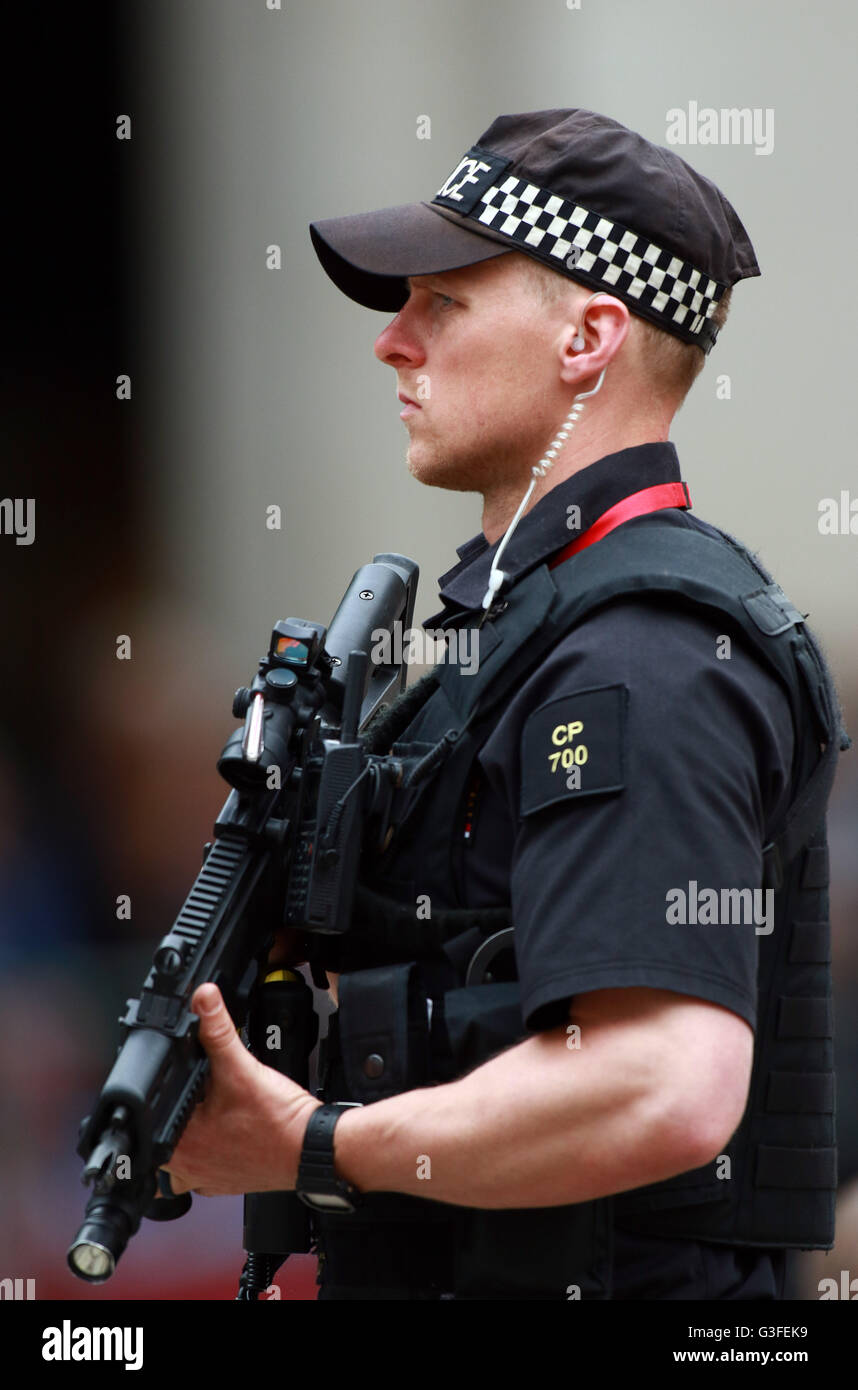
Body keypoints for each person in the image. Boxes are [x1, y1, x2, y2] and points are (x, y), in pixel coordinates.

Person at [163, 108, 847, 1300]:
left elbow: (662, 1084)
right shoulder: (528, 632)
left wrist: (313, 1147)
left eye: (443, 303)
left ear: (589, 336)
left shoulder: (644, 653)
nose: (392, 343)